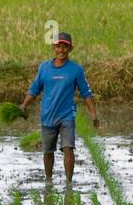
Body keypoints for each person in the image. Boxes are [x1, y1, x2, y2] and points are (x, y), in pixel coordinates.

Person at [18, 31, 100, 187]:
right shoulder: (44, 68)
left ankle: (69, 183)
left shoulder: (76, 69)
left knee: (68, 147)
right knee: (48, 151)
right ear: (53, 48)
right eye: (58, 46)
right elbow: (34, 89)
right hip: (48, 115)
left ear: (70, 49)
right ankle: (48, 181)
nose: (61, 50)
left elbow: (86, 93)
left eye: (64, 47)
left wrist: (94, 114)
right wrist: (24, 104)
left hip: (67, 115)